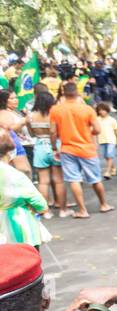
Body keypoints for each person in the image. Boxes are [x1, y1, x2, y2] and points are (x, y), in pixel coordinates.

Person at [49, 82, 111, 219]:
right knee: (95, 179)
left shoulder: (55, 110)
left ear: (63, 93)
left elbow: (52, 132)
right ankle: (103, 204)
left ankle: (82, 210)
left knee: (74, 179)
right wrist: (89, 132)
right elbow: (98, 129)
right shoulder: (87, 109)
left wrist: (54, 147)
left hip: (67, 148)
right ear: (77, 93)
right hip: (87, 148)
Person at [25, 90, 63, 218]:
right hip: (54, 145)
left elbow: (31, 134)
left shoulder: (30, 116)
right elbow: (55, 132)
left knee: (43, 181)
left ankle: (46, 211)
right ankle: (63, 209)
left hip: (39, 146)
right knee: (58, 180)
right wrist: (54, 147)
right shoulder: (54, 114)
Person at [94, 103, 117, 181]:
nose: (102, 112)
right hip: (102, 140)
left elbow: (116, 132)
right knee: (106, 156)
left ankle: (107, 172)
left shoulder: (112, 120)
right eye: (100, 110)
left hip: (111, 140)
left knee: (109, 155)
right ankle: (113, 168)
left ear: (107, 110)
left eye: (103, 110)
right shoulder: (97, 119)